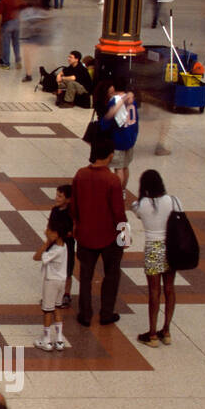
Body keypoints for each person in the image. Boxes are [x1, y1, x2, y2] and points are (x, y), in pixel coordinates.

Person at [71, 138, 126, 328]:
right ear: (110, 155)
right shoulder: (112, 180)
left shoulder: (80, 174)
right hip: (109, 236)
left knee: (85, 277)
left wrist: (76, 226)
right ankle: (106, 313)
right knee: (111, 274)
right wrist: (124, 236)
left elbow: (74, 206)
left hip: (85, 235)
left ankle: (85, 314)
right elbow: (119, 212)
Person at [132, 170, 178, 348]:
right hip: (171, 247)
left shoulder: (141, 205)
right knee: (169, 288)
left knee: (154, 292)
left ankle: (151, 333)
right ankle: (166, 331)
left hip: (153, 248)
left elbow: (135, 207)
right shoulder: (173, 201)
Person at [33, 210, 73, 352]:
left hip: (51, 282)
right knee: (57, 308)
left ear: (56, 234)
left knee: (47, 310)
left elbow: (37, 257)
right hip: (61, 282)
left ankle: (47, 339)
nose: (46, 231)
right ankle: (60, 339)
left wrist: (46, 242)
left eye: (49, 230)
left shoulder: (55, 249)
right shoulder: (65, 247)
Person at [50, 184, 75, 310]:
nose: (56, 198)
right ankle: (54, 294)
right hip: (55, 244)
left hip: (67, 245)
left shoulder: (71, 213)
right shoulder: (55, 210)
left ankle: (66, 294)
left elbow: (73, 230)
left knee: (68, 270)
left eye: (60, 196)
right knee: (55, 269)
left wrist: (124, 240)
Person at [0, 0, 25, 70]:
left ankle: (6, 64)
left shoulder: (3, 1)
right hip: (17, 23)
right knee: (16, 43)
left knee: (6, 44)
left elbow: (0, 15)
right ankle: (18, 61)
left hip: (7, 24)